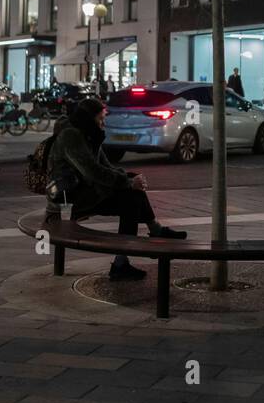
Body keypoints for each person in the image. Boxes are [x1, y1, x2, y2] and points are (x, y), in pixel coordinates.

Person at [47, 98, 185, 280]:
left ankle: (146, 238)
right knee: (130, 199)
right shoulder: (71, 136)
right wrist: (128, 183)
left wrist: (130, 178)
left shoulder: (89, 133)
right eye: (100, 118)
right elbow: (92, 172)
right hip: (68, 201)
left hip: (85, 192)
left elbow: (106, 167)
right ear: (89, 118)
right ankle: (126, 259)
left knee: (131, 188)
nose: (104, 122)